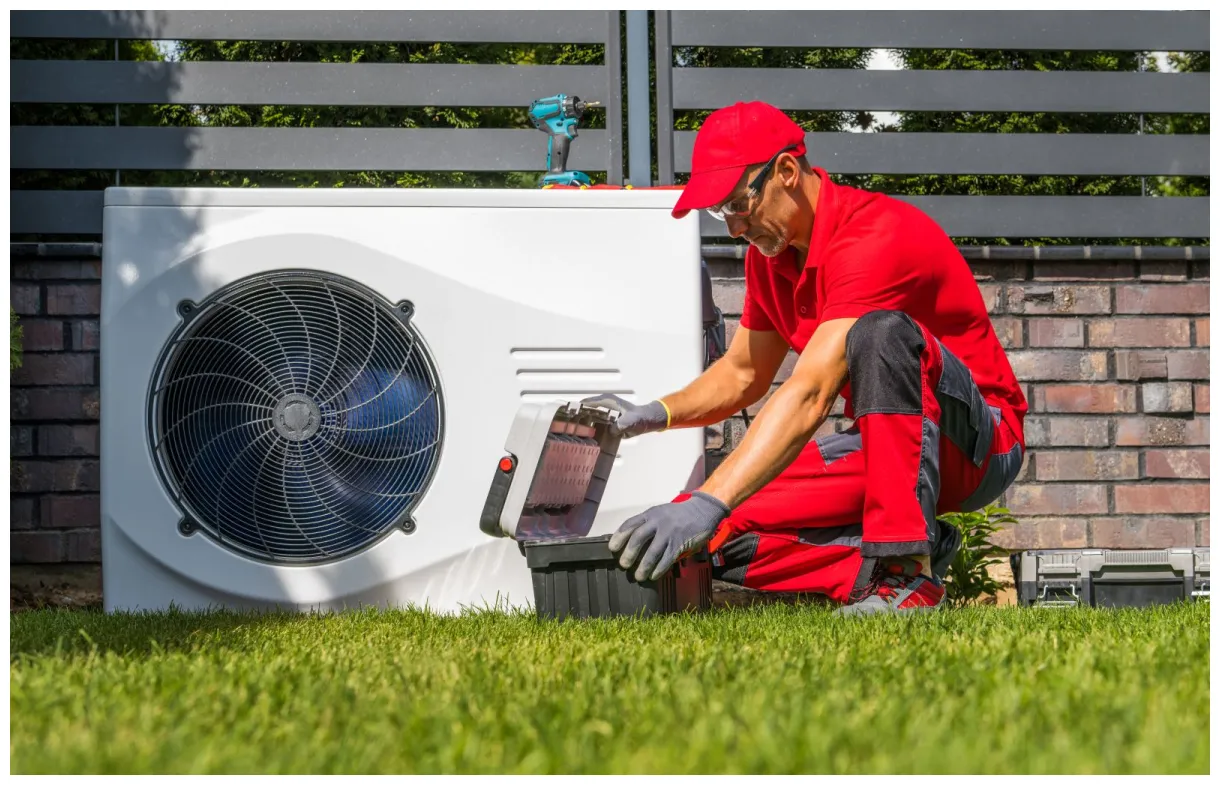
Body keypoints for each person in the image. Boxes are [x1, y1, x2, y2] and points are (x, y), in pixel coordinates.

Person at [583, 101, 1026, 615]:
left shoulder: (875, 236)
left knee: (880, 333)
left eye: (737, 205)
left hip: (978, 444)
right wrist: (652, 415)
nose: (732, 228)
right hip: (887, 450)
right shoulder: (770, 258)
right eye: (719, 213)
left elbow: (811, 390)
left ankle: (906, 575)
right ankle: (899, 560)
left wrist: (711, 498)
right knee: (711, 535)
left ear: (787, 172)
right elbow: (742, 373)